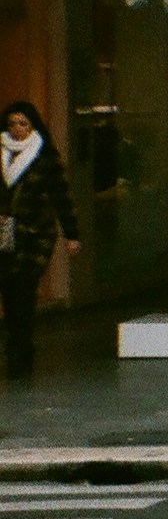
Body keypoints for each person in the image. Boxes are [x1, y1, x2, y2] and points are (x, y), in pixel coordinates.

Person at [0, 101, 79, 385]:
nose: (16, 130)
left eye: (22, 123)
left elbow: (61, 196)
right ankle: (17, 343)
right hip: (3, 233)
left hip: (35, 234)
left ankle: (21, 347)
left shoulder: (44, 156)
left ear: (33, 125)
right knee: (9, 291)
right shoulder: (1, 152)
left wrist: (72, 234)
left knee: (24, 287)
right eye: (12, 124)